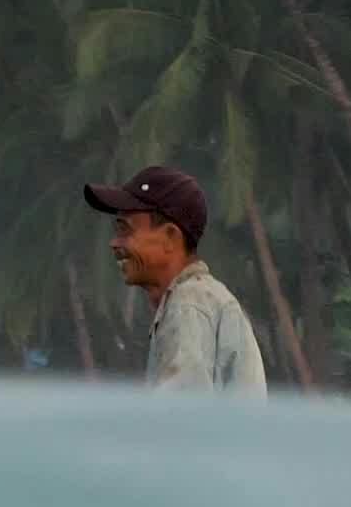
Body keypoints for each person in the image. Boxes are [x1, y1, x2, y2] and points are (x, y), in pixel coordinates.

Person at [83, 166, 266, 398]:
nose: (114, 243)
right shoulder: (200, 298)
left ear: (170, 237)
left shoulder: (187, 304)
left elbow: (179, 414)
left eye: (125, 230)